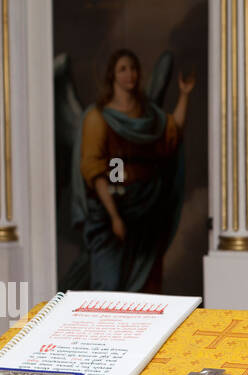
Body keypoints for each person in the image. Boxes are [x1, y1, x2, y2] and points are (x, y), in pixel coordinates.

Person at [75, 49, 193, 292]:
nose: (130, 74)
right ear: (113, 76)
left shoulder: (147, 114)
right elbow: (97, 171)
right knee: (110, 287)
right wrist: (115, 216)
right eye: (123, 69)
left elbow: (172, 134)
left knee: (146, 288)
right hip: (112, 211)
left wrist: (184, 95)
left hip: (146, 211)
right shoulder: (98, 117)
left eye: (133, 68)